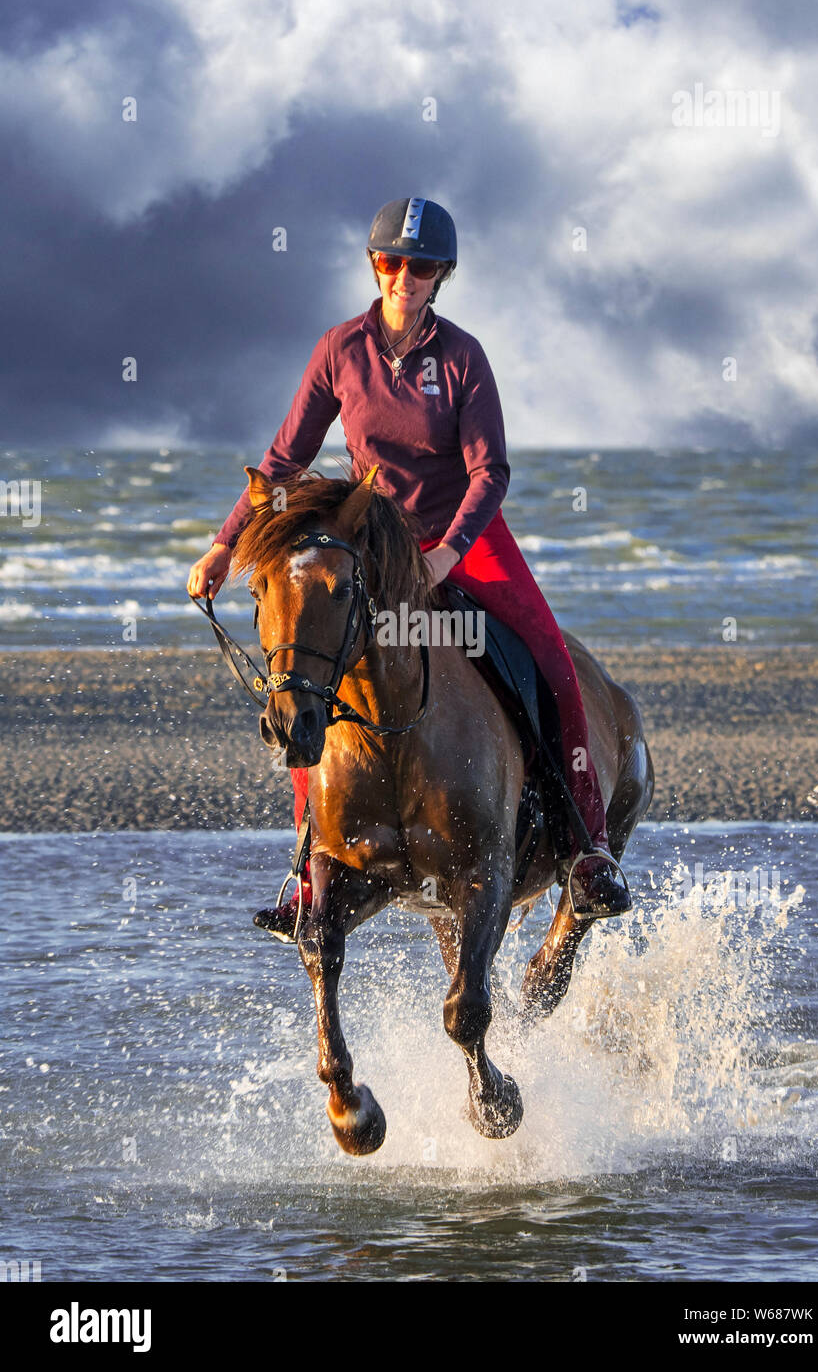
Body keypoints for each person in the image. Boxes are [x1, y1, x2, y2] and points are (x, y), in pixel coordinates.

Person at [187, 196, 629, 921]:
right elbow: (284, 460)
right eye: (392, 262)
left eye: (420, 266)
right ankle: (310, 872)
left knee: (549, 659)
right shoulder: (340, 349)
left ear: (439, 276)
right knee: (313, 679)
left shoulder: (461, 357)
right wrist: (224, 542)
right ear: (374, 265)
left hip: (464, 535)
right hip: (372, 541)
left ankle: (587, 849)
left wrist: (448, 554)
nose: (404, 277)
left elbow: (490, 473)